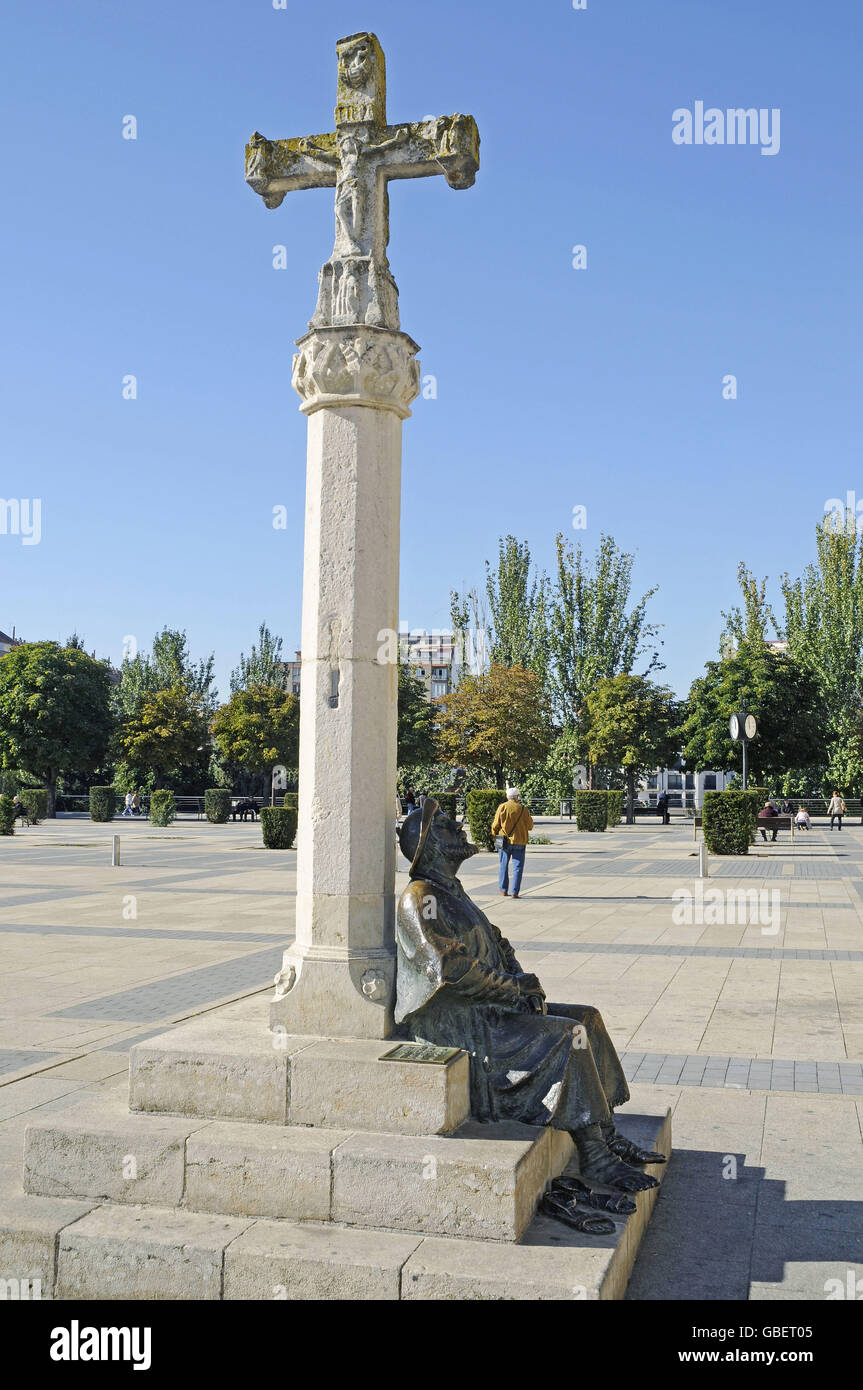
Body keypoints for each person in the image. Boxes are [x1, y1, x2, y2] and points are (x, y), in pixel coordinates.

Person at [394, 799, 665, 1218]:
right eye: (447, 827)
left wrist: (524, 983)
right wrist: (513, 989)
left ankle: (607, 1131)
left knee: (586, 1018)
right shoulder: (420, 898)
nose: (461, 828)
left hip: (494, 1009)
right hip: (468, 1027)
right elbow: (450, 968)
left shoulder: (453, 892)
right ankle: (593, 1150)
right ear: (427, 848)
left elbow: (499, 943)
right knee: (565, 1035)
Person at [491, 787, 533, 898]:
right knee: (518, 867)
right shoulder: (523, 809)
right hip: (520, 840)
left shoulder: (502, 807)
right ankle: (515, 892)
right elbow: (530, 826)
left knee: (503, 865)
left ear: (507, 797)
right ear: (517, 797)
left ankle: (503, 889)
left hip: (504, 841)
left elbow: (495, 825)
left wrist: (495, 835)